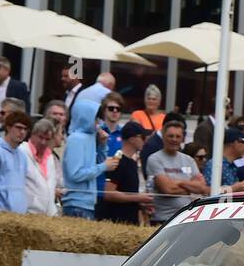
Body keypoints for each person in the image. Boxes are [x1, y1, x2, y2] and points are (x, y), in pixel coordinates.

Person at [61, 91, 118, 220]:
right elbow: (75, 174)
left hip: (88, 203)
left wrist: (103, 145)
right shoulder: (76, 139)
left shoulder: (91, 136)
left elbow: (99, 162)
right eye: (95, 117)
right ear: (86, 116)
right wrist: (103, 167)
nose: (99, 122)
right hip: (75, 203)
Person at [146, 118, 207, 224]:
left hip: (186, 218)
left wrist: (179, 182)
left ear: (183, 139)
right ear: (163, 137)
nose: (174, 139)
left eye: (178, 136)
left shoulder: (189, 159)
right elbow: (168, 189)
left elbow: (201, 188)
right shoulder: (155, 159)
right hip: (162, 219)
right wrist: (190, 187)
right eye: (170, 136)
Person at [100, 120, 155, 226]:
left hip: (129, 220)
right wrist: (138, 198)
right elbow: (109, 193)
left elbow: (127, 191)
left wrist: (141, 203)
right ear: (132, 138)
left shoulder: (132, 163)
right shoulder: (118, 161)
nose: (145, 141)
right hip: (117, 221)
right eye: (142, 137)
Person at [0, 111, 31, 213]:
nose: (22, 132)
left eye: (25, 129)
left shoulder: (23, 156)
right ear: (8, 127)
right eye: (18, 127)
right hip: (0, 214)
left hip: (18, 216)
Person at [22, 118, 62, 216]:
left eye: (47, 139)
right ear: (32, 135)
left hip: (47, 215)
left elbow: (51, 187)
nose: (43, 142)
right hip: (26, 213)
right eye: (40, 137)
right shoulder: (21, 152)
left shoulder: (50, 158)